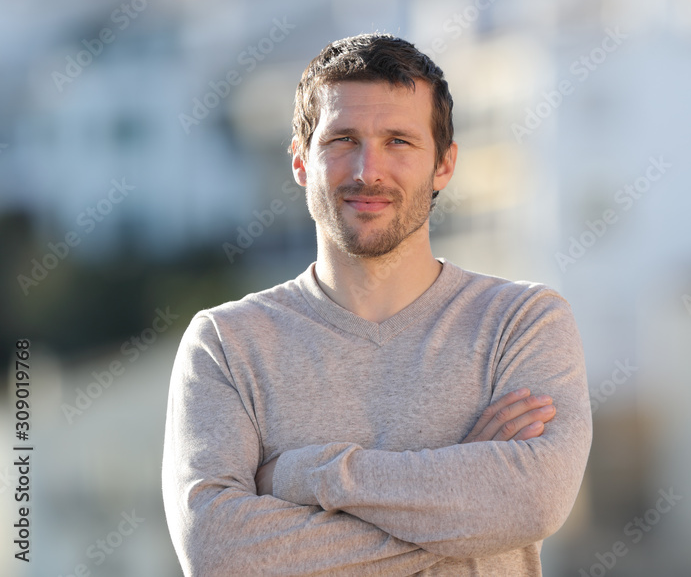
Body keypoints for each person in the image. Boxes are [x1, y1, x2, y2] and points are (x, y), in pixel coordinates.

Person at [161, 33, 592, 576]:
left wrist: (307, 476)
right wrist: (464, 508)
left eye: (399, 142)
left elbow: (533, 501)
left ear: (444, 165)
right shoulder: (226, 344)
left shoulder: (522, 322)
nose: (369, 170)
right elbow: (220, 556)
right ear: (300, 161)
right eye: (342, 140)